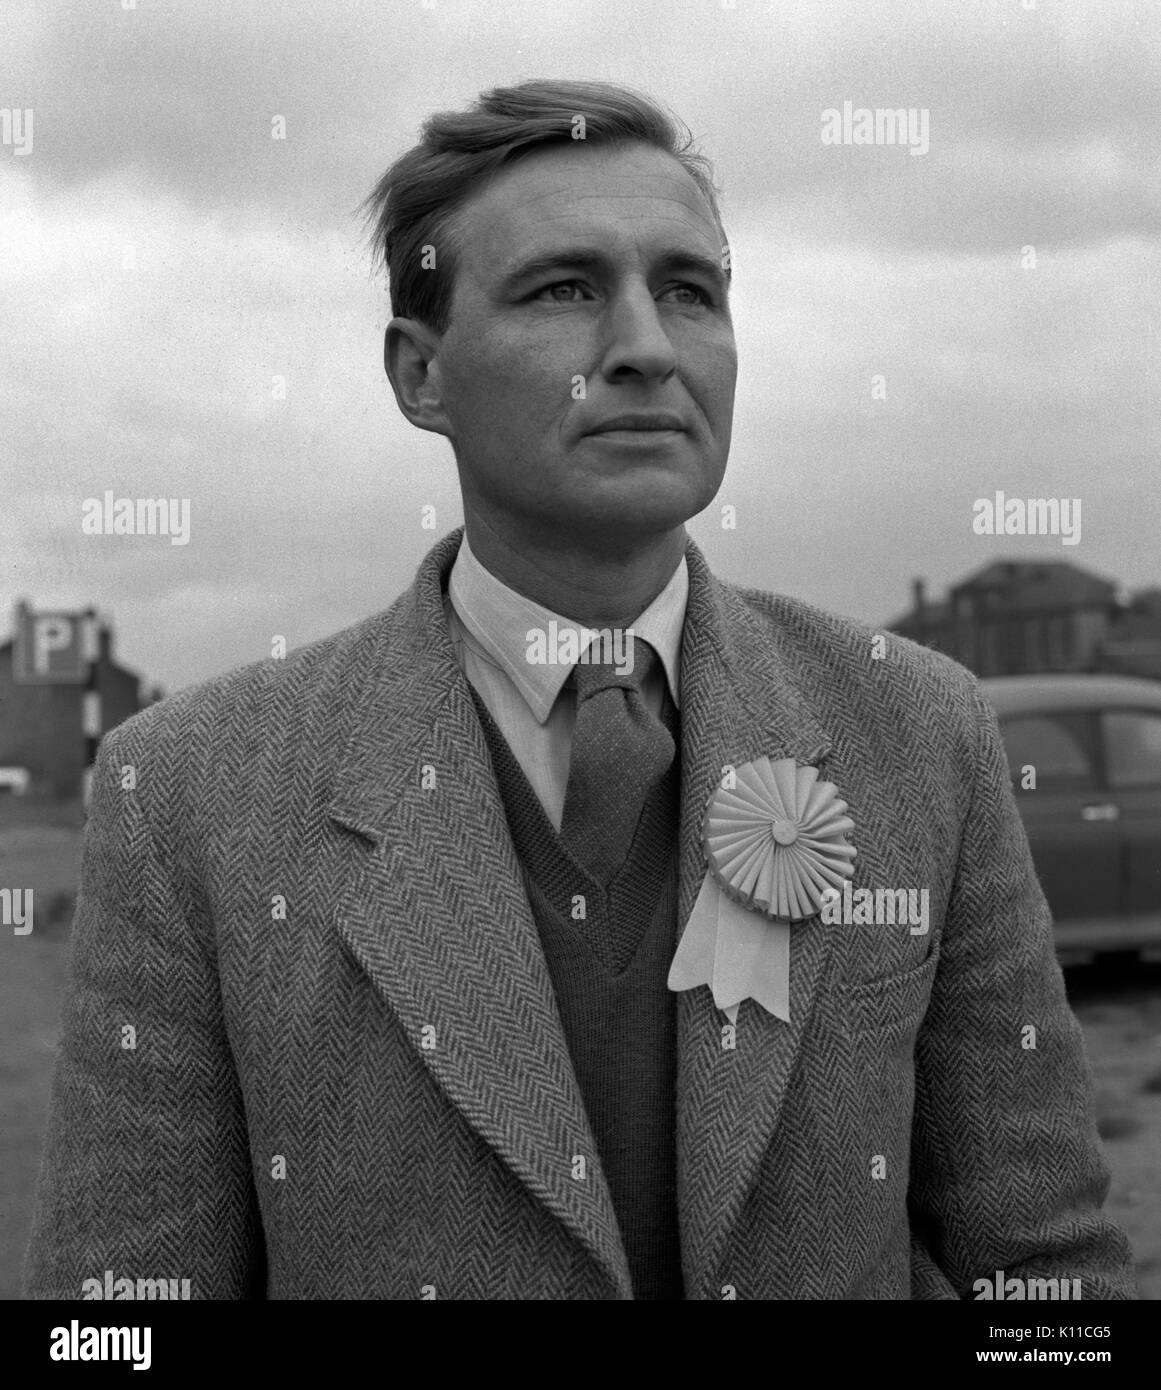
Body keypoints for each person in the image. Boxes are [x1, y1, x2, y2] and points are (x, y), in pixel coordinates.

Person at [25, 79, 1135, 1300]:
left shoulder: (921, 730)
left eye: (689, 291)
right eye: (564, 289)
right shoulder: (186, 790)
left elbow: (1040, 1271)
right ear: (420, 374)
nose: (649, 347)